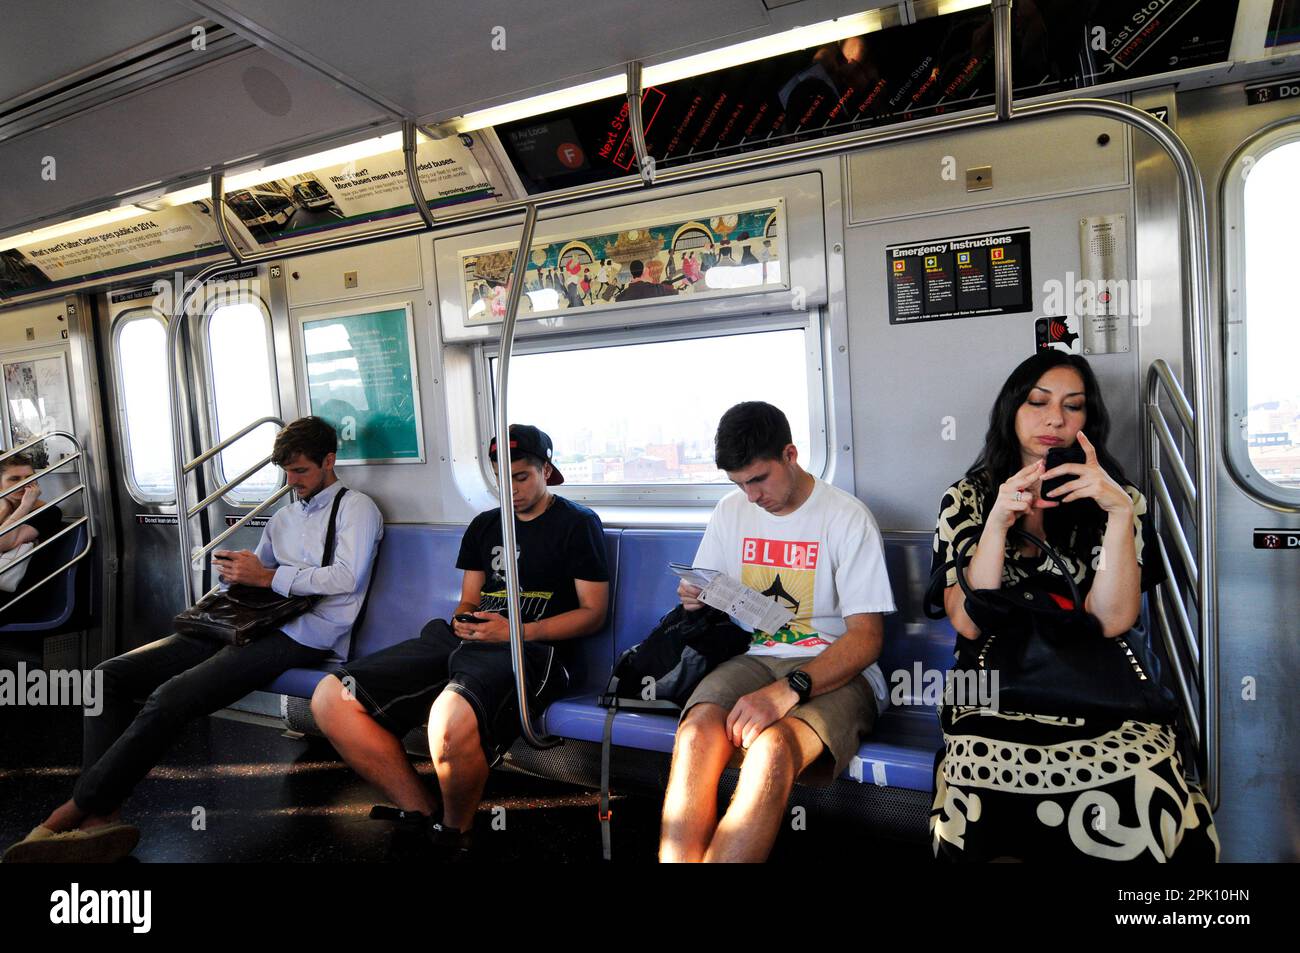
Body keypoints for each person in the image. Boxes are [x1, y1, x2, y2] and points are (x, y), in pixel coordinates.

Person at [2, 417, 384, 863]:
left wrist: (270, 576)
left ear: (329, 461)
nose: (292, 482)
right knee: (107, 678)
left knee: (171, 698)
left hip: (307, 633)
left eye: (300, 471)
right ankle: (101, 818)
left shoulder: (356, 508)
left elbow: (346, 577)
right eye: (286, 472)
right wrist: (236, 574)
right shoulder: (283, 518)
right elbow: (255, 575)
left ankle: (70, 813)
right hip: (249, 623)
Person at [928, 351, 1218, 862]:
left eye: (1073, 406)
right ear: (1010, 413)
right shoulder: (968, 500)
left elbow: (1110, 620)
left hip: (1095, 677)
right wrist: (997, 523)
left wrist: (1118, 515)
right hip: (991, 681)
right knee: (979, 779)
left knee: (1142, 777)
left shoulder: (1119, 498)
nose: (1055, 419)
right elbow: (968, 623)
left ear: (1090, 419)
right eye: (1037, 402)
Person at [311, 425, 609, 857]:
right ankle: (420, 810)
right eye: (501, 478)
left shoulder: (577, 524)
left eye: (522, 476)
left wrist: (514, 631)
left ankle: (454, 831)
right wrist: (467, 621)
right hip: (467, 639)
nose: (512, 489)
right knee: (331, 698)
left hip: (532, 650)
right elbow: (468, 598)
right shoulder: (485, 525)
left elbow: (592, 613)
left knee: (448, 721)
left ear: (546, 469)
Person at [659, 402, 895, 862]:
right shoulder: (732, 512)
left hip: (838, 663)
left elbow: (866, 638)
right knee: (696, 735)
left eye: (758, 479)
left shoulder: (846, 517)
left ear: (790, 454)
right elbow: (712, 589)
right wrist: (695, 596)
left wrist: (786, 692)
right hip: (760, 652)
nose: (751, 496)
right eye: (738, 484)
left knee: (771, 749)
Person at [0, 451, 65, 618]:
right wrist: (5, 508)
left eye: (29, 478)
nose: (24, 484)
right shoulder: (4, 508)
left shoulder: (49, 512)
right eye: (14, 479)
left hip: (20, 594)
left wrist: (25, 505)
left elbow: (3, 542)